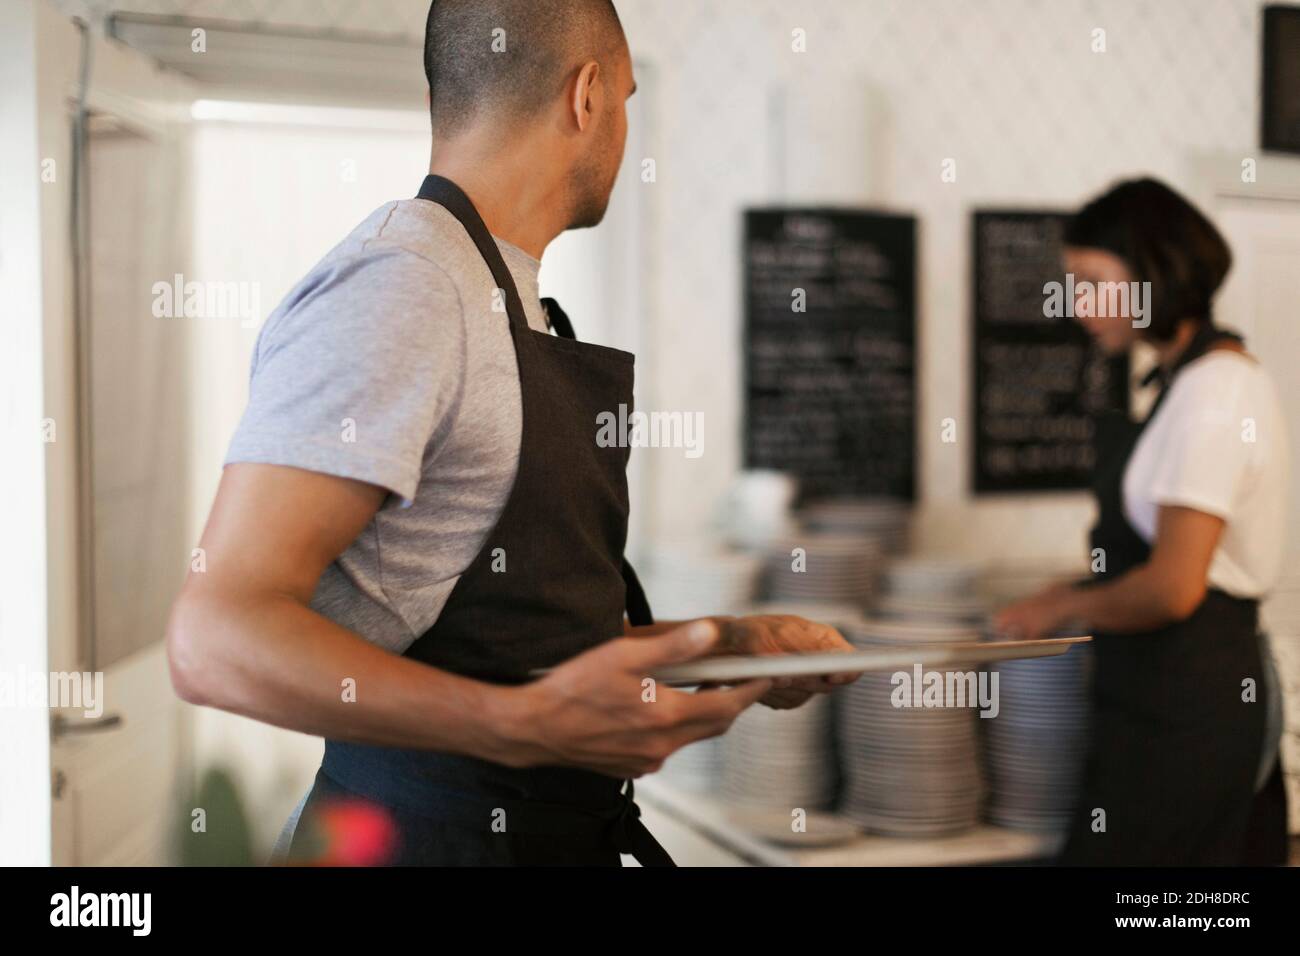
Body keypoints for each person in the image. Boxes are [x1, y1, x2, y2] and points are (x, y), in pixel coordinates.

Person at [165, 0, 855, 867]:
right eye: (630, 98)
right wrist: (522, 727)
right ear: (588, 95)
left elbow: (512, 652)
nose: (625, 128)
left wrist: (732, 646)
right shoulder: (405, 285)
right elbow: (214, 634)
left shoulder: (507, 299)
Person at [995, 178, 1290, 866]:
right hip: (1159, 699)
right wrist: (1057, 595)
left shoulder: (1217, 392)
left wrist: (1062, 605)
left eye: (1094, 281)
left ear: (1154, 272)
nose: (1078, 305)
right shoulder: (1182, 384)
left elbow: (1173, 588)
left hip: (1192, 706)